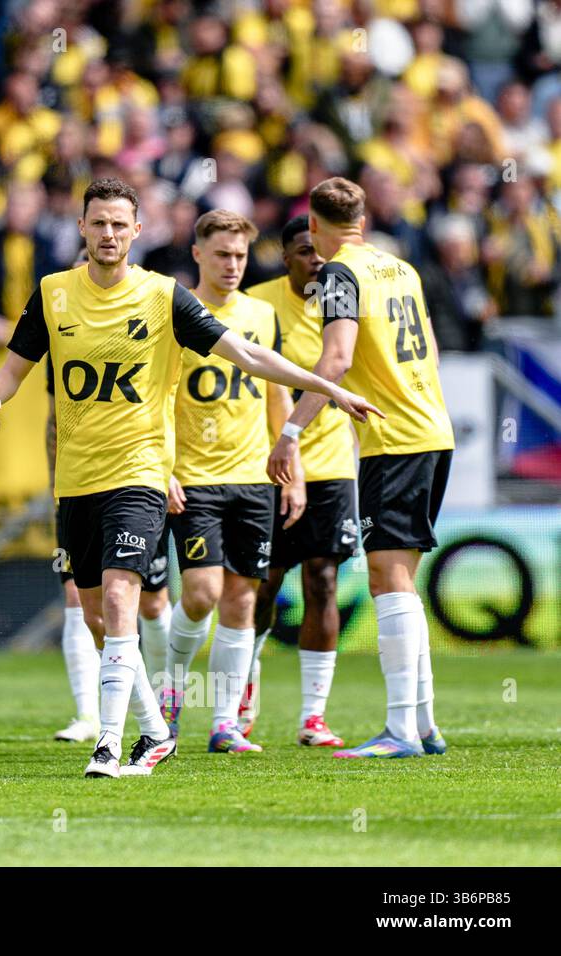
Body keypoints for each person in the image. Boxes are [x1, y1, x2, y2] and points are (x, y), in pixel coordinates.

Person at [0, 178, 380, 779]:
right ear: (82, 228)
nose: (109, 234)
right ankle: (156, 727)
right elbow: (15, 365)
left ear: (137, 232)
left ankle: (109, 746)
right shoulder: (53, 294)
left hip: (140, 472)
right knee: (93, 617)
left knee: (121, 599)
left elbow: (249, 356)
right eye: (99, 223)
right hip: (78, 482)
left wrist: (326, 387)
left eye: (120, 224)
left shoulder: (163, 297)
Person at [268, 177, 454, 759]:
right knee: (403, 580)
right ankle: (422, 725)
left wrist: (292, 431)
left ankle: (400, 731)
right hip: (432, 430)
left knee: (387, 580)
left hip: (392, 440)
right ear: (363, 220)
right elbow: (431, 347)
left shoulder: (337, 274)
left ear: (314, 227)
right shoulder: (402, 268)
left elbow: (338, 358)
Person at [157, 210, 302, 755]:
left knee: (242, 601)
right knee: (201, 593)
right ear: (198, 254)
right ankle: (169, 692)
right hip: (194, 477)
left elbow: (275, 392)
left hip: (253, 477)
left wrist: (294, 468)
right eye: (222, 255)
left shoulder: (262, 316)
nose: (233, 265)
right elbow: (160, 397)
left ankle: (223, 722)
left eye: (240, 256)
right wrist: (164, 469)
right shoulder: (177, 312)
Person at [245, 214, 357, 748]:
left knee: (323, 579)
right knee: (261, 583)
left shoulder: (344, 299)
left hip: (332, 462)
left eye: (321, 251)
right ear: (285, 255)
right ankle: (242, 696)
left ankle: (314, 716)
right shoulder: (258, 304)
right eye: (305, 251)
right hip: (267, 461)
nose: (317, 260)